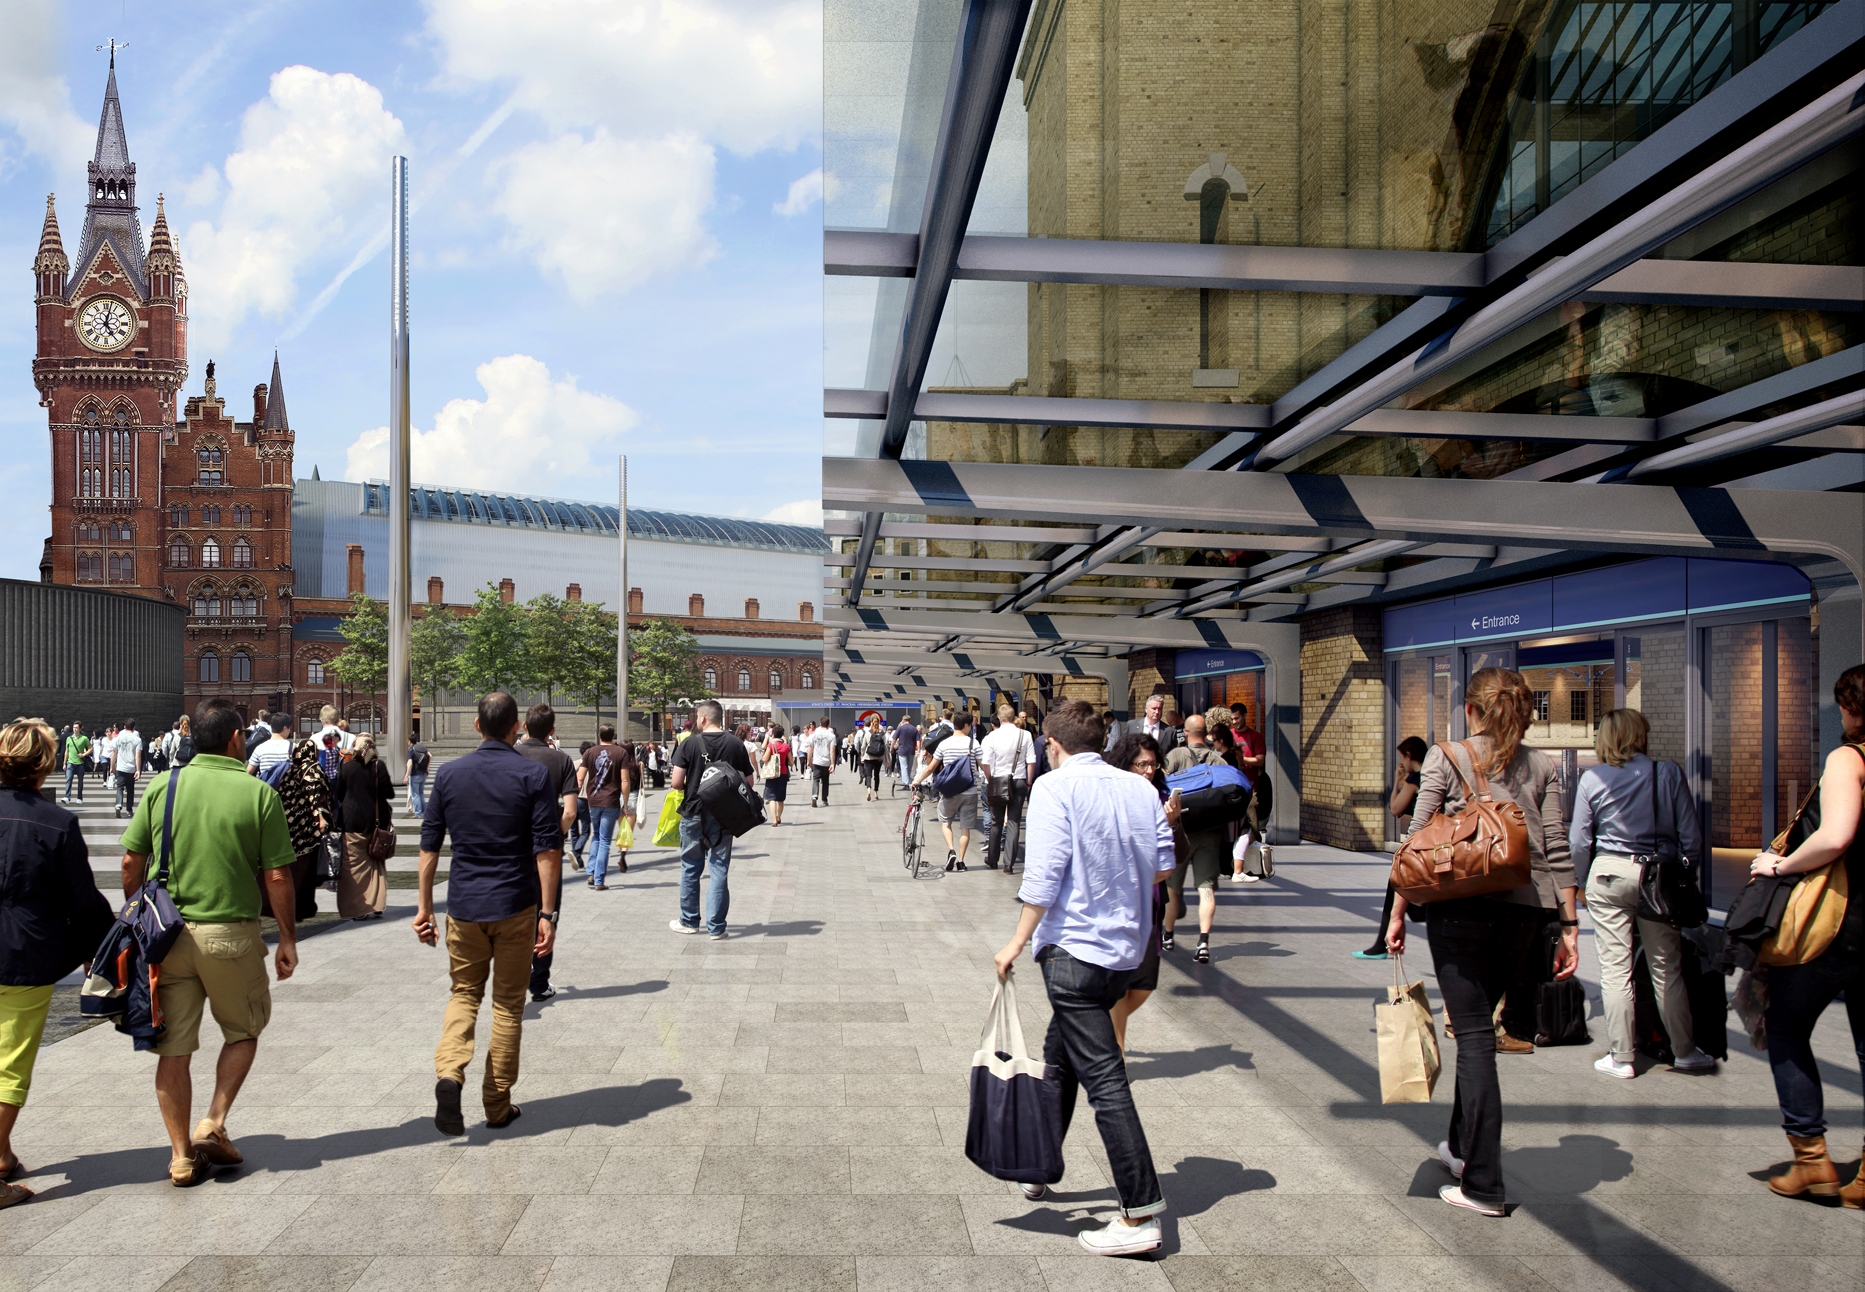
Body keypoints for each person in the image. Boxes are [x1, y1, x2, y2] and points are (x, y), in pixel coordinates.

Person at [1385, 667, 1576, 1217]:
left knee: (1473, 1039)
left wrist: (1397, 913)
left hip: (1462, 907)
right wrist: (1569, 927)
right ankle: (1462, 1147)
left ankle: (1484, 1185)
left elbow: (1418, 840)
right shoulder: (1543, 765)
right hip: (1526, 913)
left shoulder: (1447, 755)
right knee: (1477, 1031)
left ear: (1471, 710)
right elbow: (1557, 850)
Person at [994, 701, 1173, 1256]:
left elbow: (1044, 873)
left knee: (1106, 1081)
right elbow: (1163, 865)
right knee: (1061, 1056)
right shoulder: (1141, 790)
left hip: (1073, 952)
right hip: (1124, 950)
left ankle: (1139, 1214)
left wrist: (1016, 942)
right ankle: (1038, 1165)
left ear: (1052, 743)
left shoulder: (1054, 788)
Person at [119, 698, 299, 1186]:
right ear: (236, 739)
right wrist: (287, 936)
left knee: (173, 1050)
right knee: (243, 1031)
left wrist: (140, 915)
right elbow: (278, 875)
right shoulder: (257, 793)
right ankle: (213, 1122)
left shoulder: (162, 785)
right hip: (231, 936)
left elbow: (131, 863)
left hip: (169, 937)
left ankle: (181, 1156)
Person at [414, 691, 561, 1135]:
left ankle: (449, 1073)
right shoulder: (532, 774)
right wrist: (548, 914)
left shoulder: (450, 774)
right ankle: (497, 1104)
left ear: (477, 726)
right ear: (516, 727)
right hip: (515, 904)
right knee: (508, 1006)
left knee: (463, 995)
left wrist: (424, 909)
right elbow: (548, 852)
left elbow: (428, 847)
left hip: (463, 906)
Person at [1744, 664, 1865, 1205]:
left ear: (1851, 708)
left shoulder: (1849, 758)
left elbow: (1836, 835)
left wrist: (1781, 864)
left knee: (1787, 1027)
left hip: (1841, 922)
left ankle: (1811, 1159)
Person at [0, 718, 114, 1208]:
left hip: (23, 951)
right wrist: (98, 951)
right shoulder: (56, 823)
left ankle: (3, 1154)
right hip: (25, 955)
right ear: (46, 765)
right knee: (10, 1063)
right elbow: (81, 900)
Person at [1569, 708, 1715, 1079]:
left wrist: (1581, 883)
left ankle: (1621, 1058)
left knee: (1616, 969)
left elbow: (1579, 841)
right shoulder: (1667, 773)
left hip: (1608, 875)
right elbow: (1692, 839)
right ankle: (1684, 1052)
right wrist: (1683, 878)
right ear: (1640, 735)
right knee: (1667, 969)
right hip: (1658, 876)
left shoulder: (1592, 778)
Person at [1103, 732, 1189, 1054]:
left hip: (1151, 899)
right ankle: (1117, 1053)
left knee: (1144, 984)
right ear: (1126, 765)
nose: (1149, 771)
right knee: (1119, 984)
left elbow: (1178, 855)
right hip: (1118, 900)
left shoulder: (1159, 795)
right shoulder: (1112, 797)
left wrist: (1172, 823)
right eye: (1142, 764)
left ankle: (1100, 1031)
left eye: (1154, 764)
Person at [669, 700, 753, 940]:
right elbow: (749, 782)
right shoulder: (736, 744)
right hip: (724, 814)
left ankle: (689, 921)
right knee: (718, 869)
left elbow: (676, 783)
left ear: (703, 718)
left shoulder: (689, 743)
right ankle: (716, 928)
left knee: (690, 867)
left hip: (694, 811)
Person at [515, 705, 579, 1001]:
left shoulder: (511, 755)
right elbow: (570, 811)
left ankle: (512, 974)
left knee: (516, 910)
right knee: (546, 910)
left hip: (512, 845)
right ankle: (539, 982)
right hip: (547, 845)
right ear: (551, 730)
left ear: (524, 726)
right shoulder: (562, 760)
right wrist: (558, 833)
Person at [1354, 736, 1430, 961]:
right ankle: (1381, 943)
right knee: (1398, 889)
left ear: (1408, 756)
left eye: (1402, 757)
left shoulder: (1416, 778)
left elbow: (1395, 808)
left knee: (1400, 887)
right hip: (1431, 845)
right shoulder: (1431, 776)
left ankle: (1381, 944)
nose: (1402, 762)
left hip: (1420, 845)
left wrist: (1398, 781)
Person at [1163, 714, 1229, 964]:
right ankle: (1203, 941)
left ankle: (1168, 935)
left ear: (1187, 733)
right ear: (1206, 734)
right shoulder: (1218, 761)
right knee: (1206, 888)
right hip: (1210, 834)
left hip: (1181, 832)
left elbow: (1161, 787)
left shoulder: (1176, 756)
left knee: (1172, 888)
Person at [273, 731, 332, 923]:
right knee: (307, 867)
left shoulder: (291, 769)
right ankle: (302, 906)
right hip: (308, 827)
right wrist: (322, 818)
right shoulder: (313, 769)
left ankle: (291, 903)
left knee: (293, 866)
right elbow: (316, 796)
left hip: (290, 825)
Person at [335, 733, 394, 921]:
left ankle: (359, 908)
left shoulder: (347, 767)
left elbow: (338, 793)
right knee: (376, 862)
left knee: (354, 866)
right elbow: (389, 793)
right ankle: (376, 905)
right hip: (377, 822)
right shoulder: (379, 767)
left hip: (352, 821)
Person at [912, 709, 981, 872]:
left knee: (945, 822)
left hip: (949, 791)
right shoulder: (974, 743)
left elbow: (931, 768)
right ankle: (962, 862)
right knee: (965, 827)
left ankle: (951, 850)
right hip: (969, 790)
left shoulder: (944, 744)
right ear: (965, 725)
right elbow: (984, 766)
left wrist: (917, 780)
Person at [581, 724, 636, 890]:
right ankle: (599, 880)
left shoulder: (589, 752)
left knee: (596, 836)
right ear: (613, 736)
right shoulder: (621, 753)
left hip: (593, 800)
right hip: (611, 801)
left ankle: (591, 871)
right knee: (605, 840)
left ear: (599, 736)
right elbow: (625, 780)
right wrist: (624, 803)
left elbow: (579, 776)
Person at [981, 703, 1036, 873]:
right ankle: (1009, 864)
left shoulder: (991, 737)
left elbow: (985, 762)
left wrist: (990, 779)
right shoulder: (1025, 735)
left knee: (997, 820)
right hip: (1018, 779)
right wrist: (1029, 782)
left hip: (998, 780)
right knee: (1013, 821)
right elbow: (1031, 761)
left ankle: (992, 858)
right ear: (1014, 718)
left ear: (999, 718)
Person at [246, 712, 294, 783]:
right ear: (285, 728)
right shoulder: (293, 747)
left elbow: (248, 773)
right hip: (286, 791)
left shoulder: (260, 748)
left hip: (266, 790)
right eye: (289, 728)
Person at [760, 723, 792, 825]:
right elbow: (791, 762)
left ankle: (774, 819)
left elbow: (764, 759)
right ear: (782, 735)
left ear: (772, 735)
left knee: (772, 797)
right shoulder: (786, 746)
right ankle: (779, 817)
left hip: (772, 774)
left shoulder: (771, 745)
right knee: (780, 798)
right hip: (782, 773)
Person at [111, 717, 143, 818]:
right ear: (134, 728)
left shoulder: (118, 738)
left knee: (119, 787)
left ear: (125, 727)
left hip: (120, 767)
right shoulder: (137, 739)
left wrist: (112, 766)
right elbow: (137, 756)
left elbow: (114, 753)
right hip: (131, 768)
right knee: (130, 789)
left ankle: (118, 805)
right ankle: (129, 809)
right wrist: (138, 770)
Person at [805, 719, 837, 807]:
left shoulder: (814, 735)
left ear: (820, 724)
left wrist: (808, 760)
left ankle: (814, 795)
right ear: (828, 725)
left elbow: (810, 748)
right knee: (825, 781)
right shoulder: (832, 736)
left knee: (815, 779)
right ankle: (824, 800)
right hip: (826, 762)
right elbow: (832, 751)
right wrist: (832, 763)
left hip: (816, 761)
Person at [859, 715, 887, 801]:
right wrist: (887, 759)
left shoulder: (868, 733)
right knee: (877, 775)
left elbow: (863, 746)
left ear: (871, 722)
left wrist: (862, 756)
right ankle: (876, 792)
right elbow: (886, 747)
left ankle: (868, 789)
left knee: (868, 774)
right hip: (879, 757)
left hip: (869, 756)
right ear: (879, 723)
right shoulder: (882, 734)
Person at [60, 722, 89, 804]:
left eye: (76, 727)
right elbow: (67, 751)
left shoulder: (84, 738)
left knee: (80, 782)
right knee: (68, 779)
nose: (75, 729)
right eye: (74, 727)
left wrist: (83, 754)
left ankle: (79, 798)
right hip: (70, 762)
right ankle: (67, 797)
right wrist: (64, 763)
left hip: (80, 763)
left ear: (80, 729)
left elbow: (90, 748)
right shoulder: (69, 738)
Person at [406, 733, 431, 818]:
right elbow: (430, 756)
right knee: (420, 793)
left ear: (409, 741)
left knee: (415, 795)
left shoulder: (410, 750)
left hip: (415, 775)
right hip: (423, 774)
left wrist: (406, 776)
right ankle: (425, 811)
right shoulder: (422, 747)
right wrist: (427, 768)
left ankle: (418, 813)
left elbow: (410, 764)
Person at [894, 713, 920, 785]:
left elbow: (894, 738)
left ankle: (906, 783)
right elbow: (918, 740)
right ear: (910, 721)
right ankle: (907, 781)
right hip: (911, 750)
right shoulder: (914, 729)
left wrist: (892, 747)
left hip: (902, 749)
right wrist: (918, 750)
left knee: (904, 767)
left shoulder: (900, 728)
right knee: (909, 767)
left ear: (903, 720)